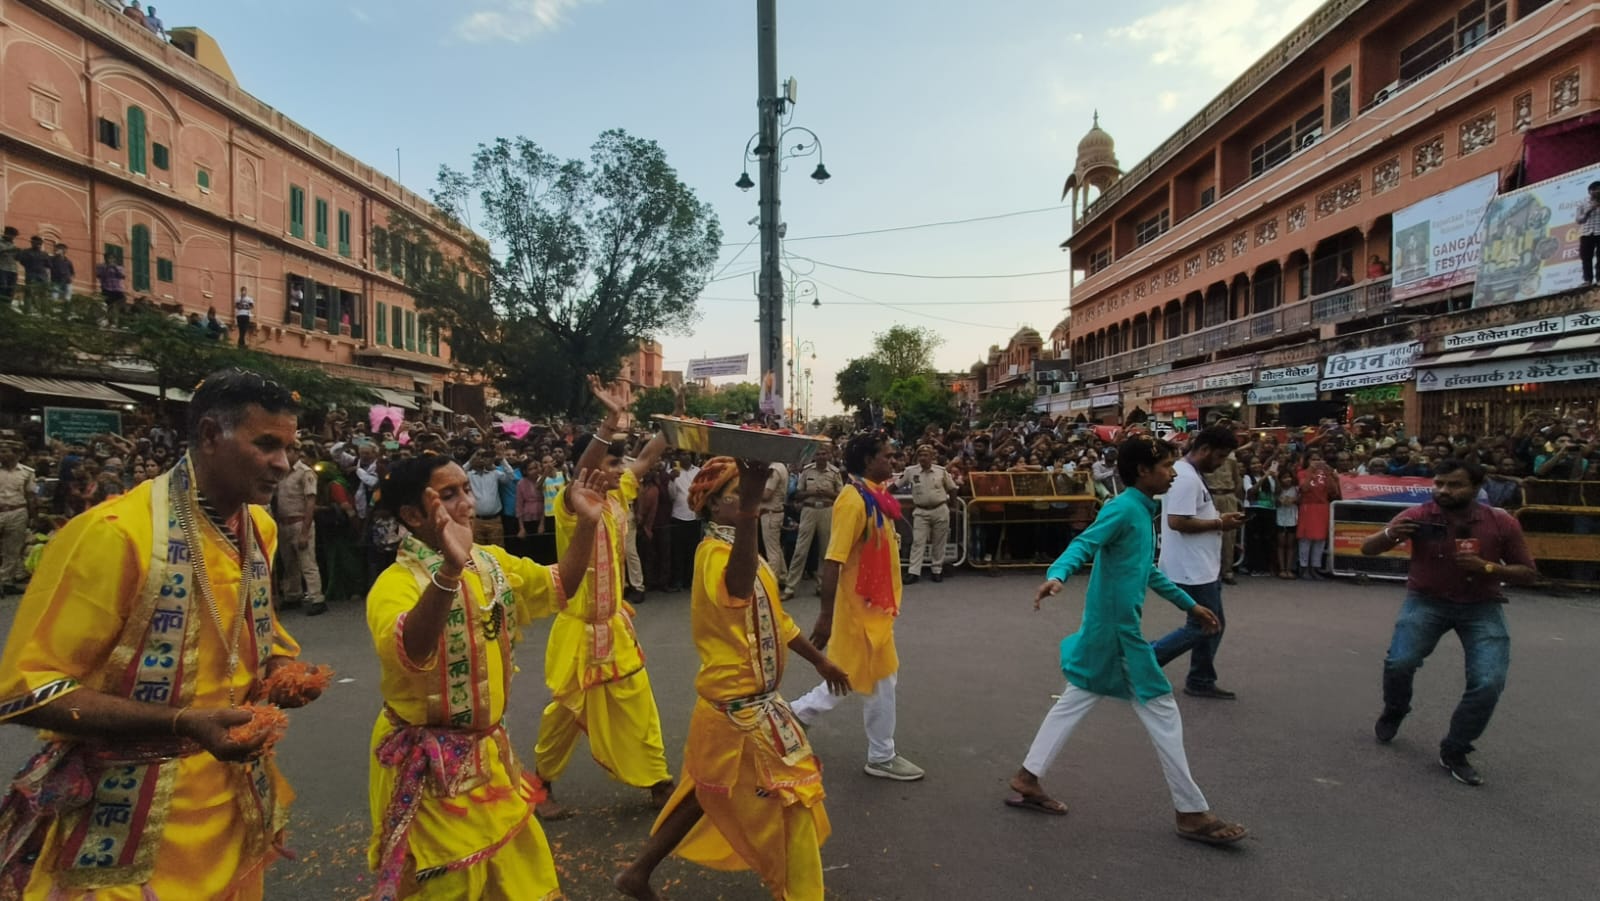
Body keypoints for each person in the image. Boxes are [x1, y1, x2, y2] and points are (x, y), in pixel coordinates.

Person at [0, 369, 321, 898]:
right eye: (266, 444)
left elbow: (256, 641)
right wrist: (183, 722)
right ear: (212, 437)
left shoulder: (257, 528)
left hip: (235, 809)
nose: (283, 464)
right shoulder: (116, 534)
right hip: (127, 825)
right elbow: (29, 692)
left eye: (288, 447)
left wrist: (282, 672)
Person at [362, 455, 608, 900]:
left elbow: (559, 586)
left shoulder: (490, 563)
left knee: (525, 882)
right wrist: (449, 572)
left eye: (466, 490)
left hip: (491, 763)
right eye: (449, 495)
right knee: (449, 889)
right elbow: (411, 650)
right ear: (414, 516)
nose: (468, 503)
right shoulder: (395, 584)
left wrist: (588, 523)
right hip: (430, 778)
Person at [614, 456, 849, 901]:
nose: (749, 499)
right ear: (713, 506)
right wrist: (749, 515)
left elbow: (777, 621)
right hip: (738, 709)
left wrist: (819, 661)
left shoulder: (746, 551)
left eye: (748, 491)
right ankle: (803, 892)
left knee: (703, 794)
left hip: (747, 705)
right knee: (795, 793)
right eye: (738, 494)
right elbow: (738, 590)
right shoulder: (712, 554)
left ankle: (637, 873)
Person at [1007, 436, 1246, 846]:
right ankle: (1190, 811)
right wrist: (1057, 575)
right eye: (1167, 466)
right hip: (1119, 633)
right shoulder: (1122, 508)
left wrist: (1190, 606)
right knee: (1164, 713)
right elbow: (1084, 543)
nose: (1173, 473)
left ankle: (1027, 777)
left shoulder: (1140, 510)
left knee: (1075, 699)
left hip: (1111, 629)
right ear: (1141, 471)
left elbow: (1147, 572)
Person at [532, 379, 674, 819]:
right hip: (577, 630)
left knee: (638, 702)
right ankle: (539, 785)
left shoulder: (618, 495)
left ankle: (657, 780)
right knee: (563, 714)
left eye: (619, 463)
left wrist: (677, 421)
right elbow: (585, 470)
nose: (620, 468)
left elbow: (649, 456)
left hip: (614, 626)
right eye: (612, 462)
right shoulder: (572, 502)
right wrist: (610, 422)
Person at [1360, 459, 1538, 786]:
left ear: (1476, 488)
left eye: (1454, 485)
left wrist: (1487, 567)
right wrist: (1390, 534)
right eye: (1439, 483)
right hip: (1426, 601)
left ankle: (1455, 749)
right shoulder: (1418, 515)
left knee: (1488, 681)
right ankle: (1395, 709)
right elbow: (1368, 548)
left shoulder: (1501, 522)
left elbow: (1528, 573)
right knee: (1400, 662)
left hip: (1482, 606)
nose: (1443, 490)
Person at [788, 432, 925, 782]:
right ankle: (881, 755)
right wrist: (824, 617)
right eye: (887, 456)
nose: (893, 461)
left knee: (855, 676)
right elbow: (832, 562)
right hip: (858, 613)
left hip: (875, 610)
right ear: (867, 461)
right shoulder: (852, 501)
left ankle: (794, 718)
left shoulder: (876, 495)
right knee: (878, 679)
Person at [1149, 426, 1247, 700]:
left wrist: (1219, 522)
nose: (1220, 463)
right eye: (1219, 456)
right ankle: (1146, 659)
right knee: (1205, 625)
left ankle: (1201, 677)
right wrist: (1219, 522)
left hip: (1200, 565)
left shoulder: (1191, 475)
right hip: (1191, 568)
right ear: (1203, 449)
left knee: (1212, 623)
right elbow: (1177, 521)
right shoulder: (1186, 479)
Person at [274, 443, 326, 616]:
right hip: (284, 522)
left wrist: (305, 530)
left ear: (295, 452)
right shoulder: (281, 473)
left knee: (307, 561)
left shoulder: (305, 472)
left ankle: (316, 596)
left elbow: (310, 502)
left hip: (300, 520)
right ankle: (292, 594)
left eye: (288, 451)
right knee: (289, 562)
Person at [784, 443, 842, 599]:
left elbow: (841, 495)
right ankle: (790, 588)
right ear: (814, 456)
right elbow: (797, 493)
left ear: (829, 455)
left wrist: (828, 493)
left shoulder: (835, 473)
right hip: (809, 510)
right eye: (818, 454)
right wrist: (811, 492)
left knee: (826, 551)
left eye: (824, 454)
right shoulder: (807, 470)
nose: (821, 457)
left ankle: (822, 585)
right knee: (800, 550)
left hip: (827, 510)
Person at [897, 444, 957, 584]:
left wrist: (953, 506)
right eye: (920, 455)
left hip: (939, 508)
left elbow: (953, 488)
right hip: (921, 510)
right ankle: (913, 571)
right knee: (918, 541)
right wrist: (880, 495)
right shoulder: (911, 471)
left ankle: (937, 570)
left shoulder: (940, 471)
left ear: (932, 457)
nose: (923, 458)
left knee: (939, 541)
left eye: (926, 455)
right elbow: (896, 485)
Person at [1201, 431, 1244, 585]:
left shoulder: (1231, 460)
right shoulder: (1206, 459)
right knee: (1209, 533)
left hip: (1227, 495)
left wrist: (1232, 495)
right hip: (1211, 494)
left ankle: (1227, 570)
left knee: (1229, 536)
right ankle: (1211, 570)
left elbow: (1237, 480)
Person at [1296, 450, 1342, 578]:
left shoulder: (1325, 474)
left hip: (1322, 508)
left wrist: (1329, 474)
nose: (1316, 462)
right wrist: (1311, 471)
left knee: (1320, 539)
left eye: (1318, 459)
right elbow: (1304, 488)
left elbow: (1334, 492)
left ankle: (1315, 568)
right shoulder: (1302, 473)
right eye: (1313, 459)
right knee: (1306, 539)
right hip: (1308, 507)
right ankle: (1303, 567)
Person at [0, 441, 37, 594]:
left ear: (17, 454)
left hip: (17, 511)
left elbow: (30, 495)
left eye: (5, 451)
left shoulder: (27, 472)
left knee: (12, 548)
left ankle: (5, 582)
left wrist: (33, 516)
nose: (2, 454)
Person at [465, 449, 513, 547]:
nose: (482, 459)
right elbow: (459, 474)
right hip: (476, 520)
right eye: (479, 456)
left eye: (484, 457)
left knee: (498, 550)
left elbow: (510, 476)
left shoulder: (494, 473)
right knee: (478, 551)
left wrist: (502, 460)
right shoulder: (469, 475)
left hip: (494, 520)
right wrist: (470, 461)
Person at [758, 460, 790, 587]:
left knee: (772, 551)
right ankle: (783, 576)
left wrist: (752, 489)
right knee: (775, 547)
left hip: (770, 513)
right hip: (774, 511)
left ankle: (772, 582)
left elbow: (766, 494)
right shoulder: (780, 466)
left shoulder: (775, 469)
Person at [17, 237, 51, 307]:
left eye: (40, 243)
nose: (38, 245)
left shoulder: (44, 254)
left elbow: (49, 264)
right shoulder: (26, 252)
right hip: (31, 274)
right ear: (32, 243)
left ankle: (44, 310)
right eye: (36, 243)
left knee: (43, 293)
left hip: (42, 275)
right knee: (29, 292)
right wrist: (29, 266)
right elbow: (21, 260)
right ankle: (27, 309)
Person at [1578, 179, 1600, 286]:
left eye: (1599, 189)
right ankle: (1588, 280)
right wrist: (1590, 209)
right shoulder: (1583, 203)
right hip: (1586, 233)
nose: (1597, 191)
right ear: (1590, 191)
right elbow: (1578, 220)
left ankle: (1599, 279)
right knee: (1586, 257)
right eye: (1594, 190)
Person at [0, 226, 19, 305]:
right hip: (2, 268)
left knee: (11, 290)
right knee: (3, 287)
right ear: (7, 234)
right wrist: (8, 250)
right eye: (12, 235)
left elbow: (17, 258)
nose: (13, 237)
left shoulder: (13, 245)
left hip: (13, 270)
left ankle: (8, 306)